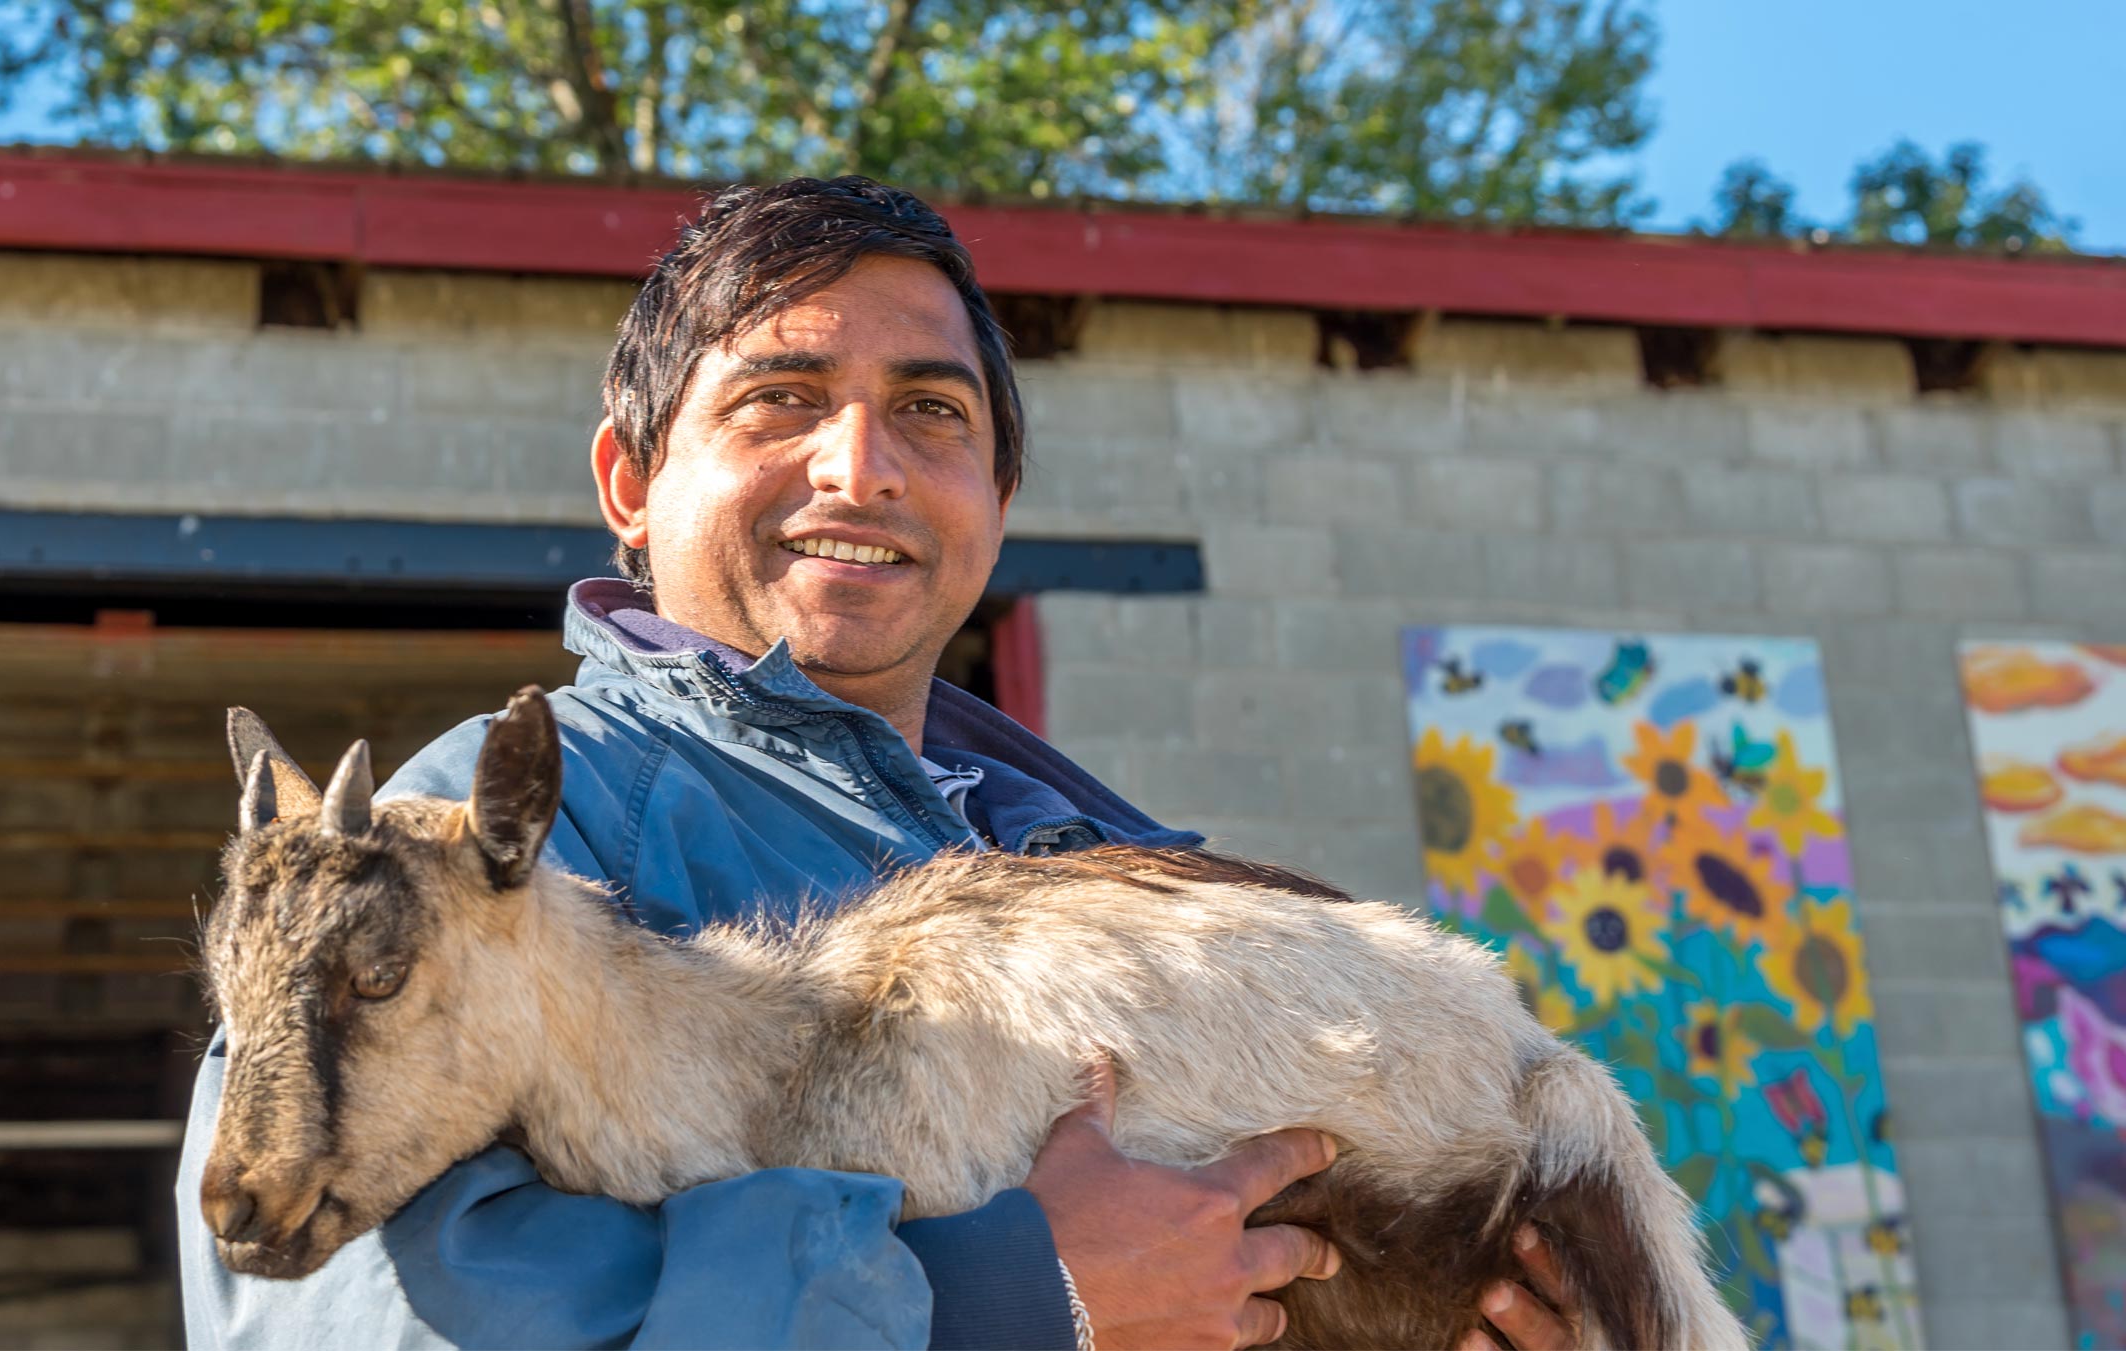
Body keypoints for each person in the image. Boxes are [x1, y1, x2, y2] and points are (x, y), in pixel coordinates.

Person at [174, 175, 1586, 1350]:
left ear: (994, 501)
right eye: (779, 399)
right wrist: (1010, 1296)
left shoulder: (1107, 859)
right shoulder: (492, 830)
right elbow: (349, 1316)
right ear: (629, 481)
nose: (863, 466)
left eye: (931, 410)